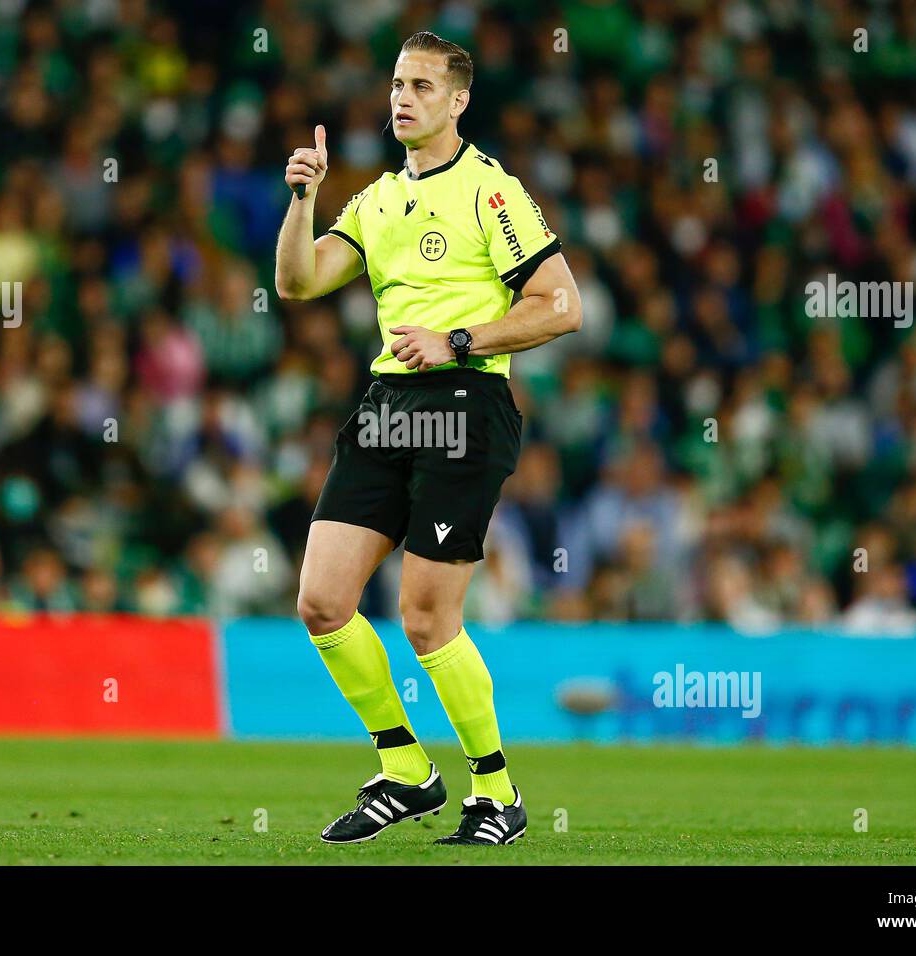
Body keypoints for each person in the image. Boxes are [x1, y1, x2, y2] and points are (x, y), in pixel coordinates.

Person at [274, 31, 582, 846]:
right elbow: (297, 282)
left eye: (420, 85)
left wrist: (460, 338)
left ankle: (497, 791)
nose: (401, 98)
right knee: (321, 600)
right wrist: (302, 199)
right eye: (396, 84)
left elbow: (561, 305)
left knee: (423, 619)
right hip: (387, 405)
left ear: (458, 101)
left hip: (466, 402)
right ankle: (406, 770)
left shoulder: (492, 192)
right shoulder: (374, 200)